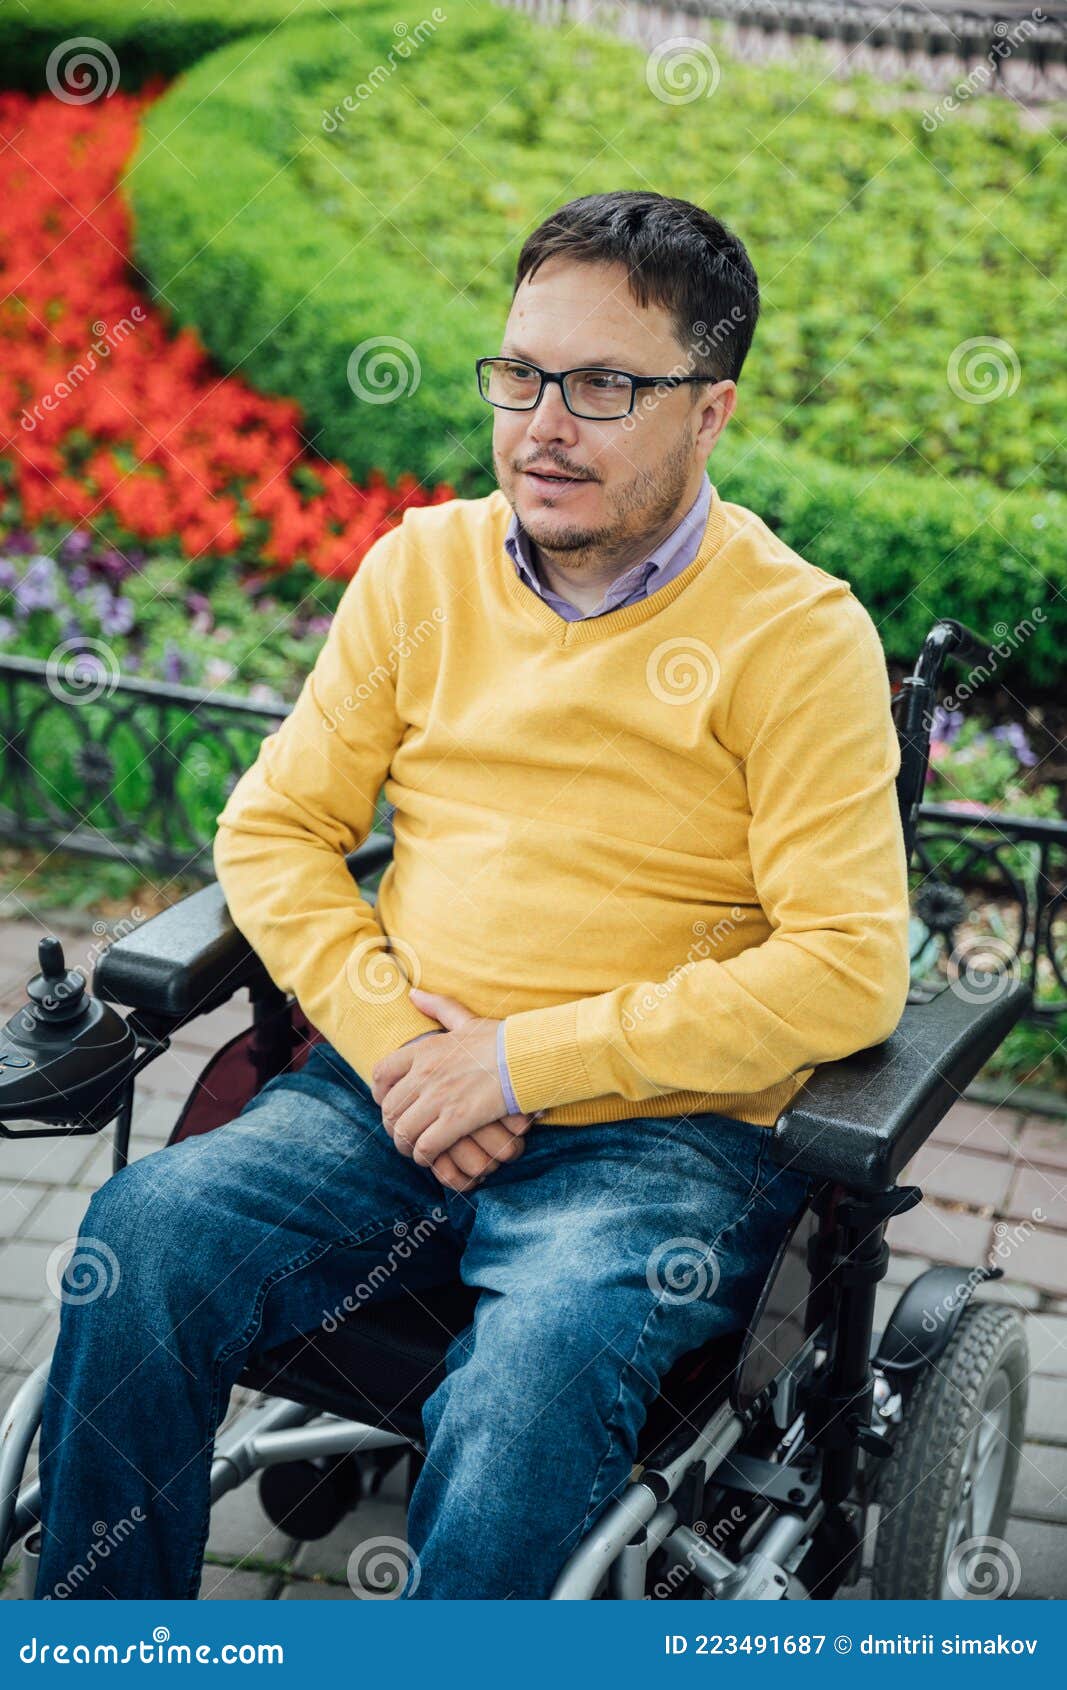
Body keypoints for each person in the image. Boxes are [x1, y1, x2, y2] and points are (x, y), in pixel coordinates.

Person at [34, 190, 910, 1600]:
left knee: (529, 1392)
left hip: (658, 1137)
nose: (543, 421)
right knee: (143, 1240)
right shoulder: (423, 570)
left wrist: (514, 1061)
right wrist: (401, 1048)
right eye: (521, 372)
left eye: (605, 384)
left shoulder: (796, 637)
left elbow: (847, 969)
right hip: (391, 1090)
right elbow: (273, 832)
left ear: (711, 410)